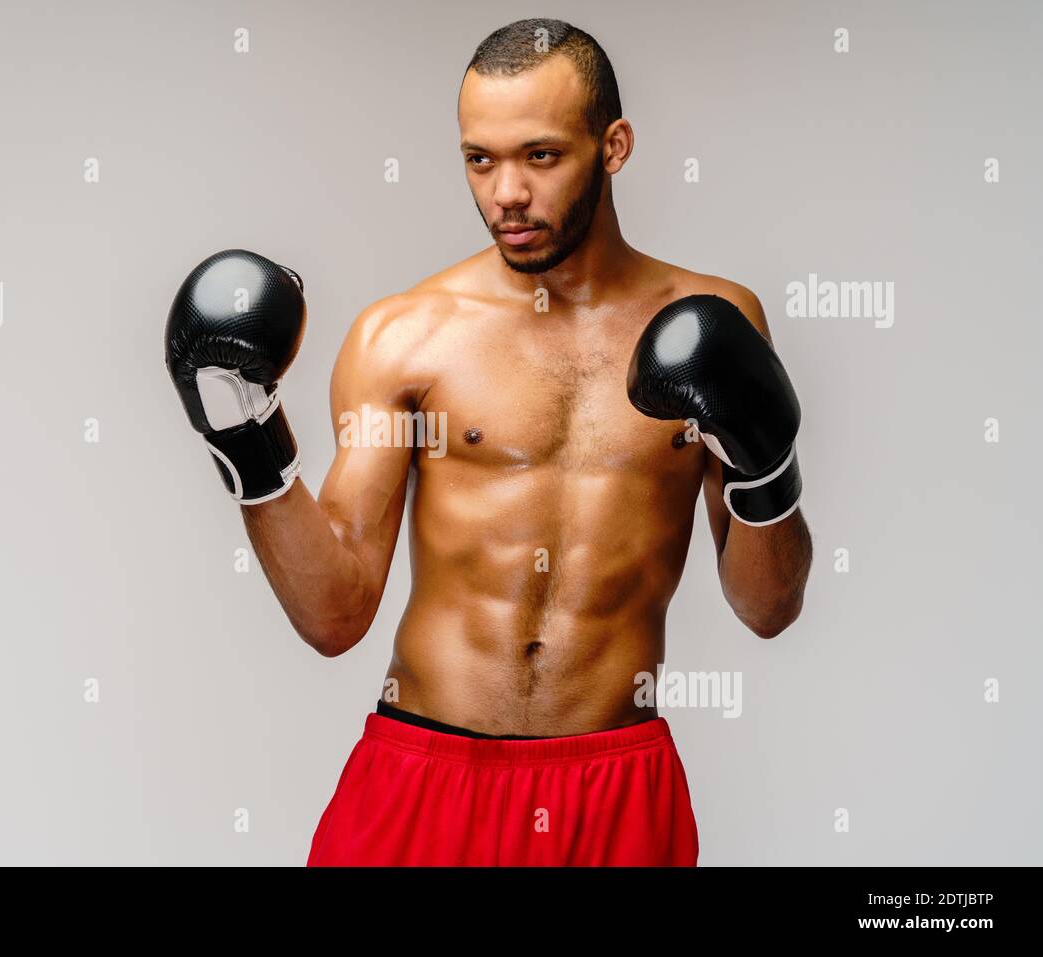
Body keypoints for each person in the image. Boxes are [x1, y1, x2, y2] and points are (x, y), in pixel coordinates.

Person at [165, 18, 812, 866]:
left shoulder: (714, 321)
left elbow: (768, 606)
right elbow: (335, 614)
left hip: (612, 790)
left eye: (540, 156)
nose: (507, 192)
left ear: (613, 146)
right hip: (423, 776)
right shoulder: (404, 337)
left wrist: (770, 466)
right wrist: (243, 434)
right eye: (480, 159)